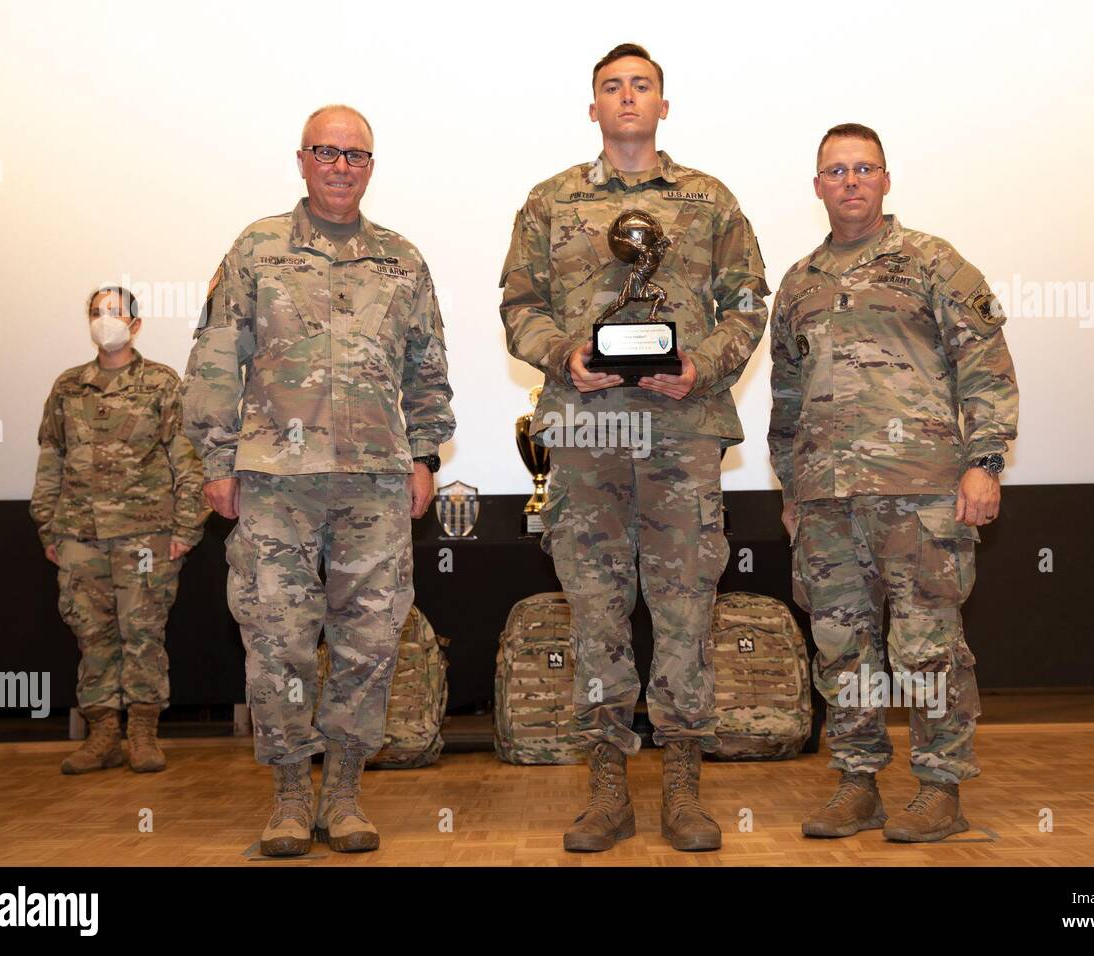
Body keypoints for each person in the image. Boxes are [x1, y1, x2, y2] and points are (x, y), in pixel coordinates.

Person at [500, 43, 769, 852]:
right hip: (585, 435)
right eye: (612, 87)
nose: (627, 98)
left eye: (641, 86)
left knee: (685, 609)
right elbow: (519, 305)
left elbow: (749, 302)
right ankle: (607, 786)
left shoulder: (708, 201)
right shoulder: (550, 202)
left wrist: (703, 365)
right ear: (593, 108)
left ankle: (683, 785)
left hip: (679, 435)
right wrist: (563, 355)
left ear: (662, 105)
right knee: (595, 612)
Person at [182, 104, 454, 857]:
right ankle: (290, 797)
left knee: (369, 643)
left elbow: (426, 369)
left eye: (356, 156)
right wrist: (214, 462)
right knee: (279, 643)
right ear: (301, 160)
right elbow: (213, 357)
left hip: (373, 483)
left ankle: (345, 792)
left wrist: (425, 456)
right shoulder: (258, 249)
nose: (341, 167)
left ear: (372, 166)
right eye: (327, 153)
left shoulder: (403, 260)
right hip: (274, 483)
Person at [768, 123, 1019, 842]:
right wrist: (790, 488)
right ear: (817, 186)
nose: (850, 182)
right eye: (836, 171)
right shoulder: (799, 283)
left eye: (864, 169)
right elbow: (787, 397)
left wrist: (986, 461)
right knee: (842, 644)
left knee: (927, 644)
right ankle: (857, 782)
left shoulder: (934, 263)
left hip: (922, 490)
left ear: (885, 179)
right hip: (825, 498)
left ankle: (941, 787)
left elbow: (986, 368)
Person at [31, 286, 208, 775]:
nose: (103, 320)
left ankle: (143, 734)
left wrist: (186, 528)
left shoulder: (161, 384)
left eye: (113, 312)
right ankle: (102, 735)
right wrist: (48, 528)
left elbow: (188, 461)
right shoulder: (68, 387)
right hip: (78, 535)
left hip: (146, 535)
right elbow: (51, 458)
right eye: (95, 312)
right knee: (92, 634)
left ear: (135, 324)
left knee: (143, 633)